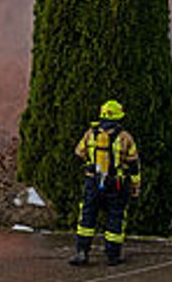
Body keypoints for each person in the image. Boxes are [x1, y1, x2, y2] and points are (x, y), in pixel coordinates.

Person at [69, 99, 141, 267]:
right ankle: (113, 256)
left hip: (93, 182)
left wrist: (91, 167)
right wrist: (135, 186)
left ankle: (82, 253)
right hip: (116, 184)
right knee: (115, 217)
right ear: (118, 117)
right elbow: (134, 165)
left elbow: (78, 155)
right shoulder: (125, 137)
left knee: (87, 216)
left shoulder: (90, 134)